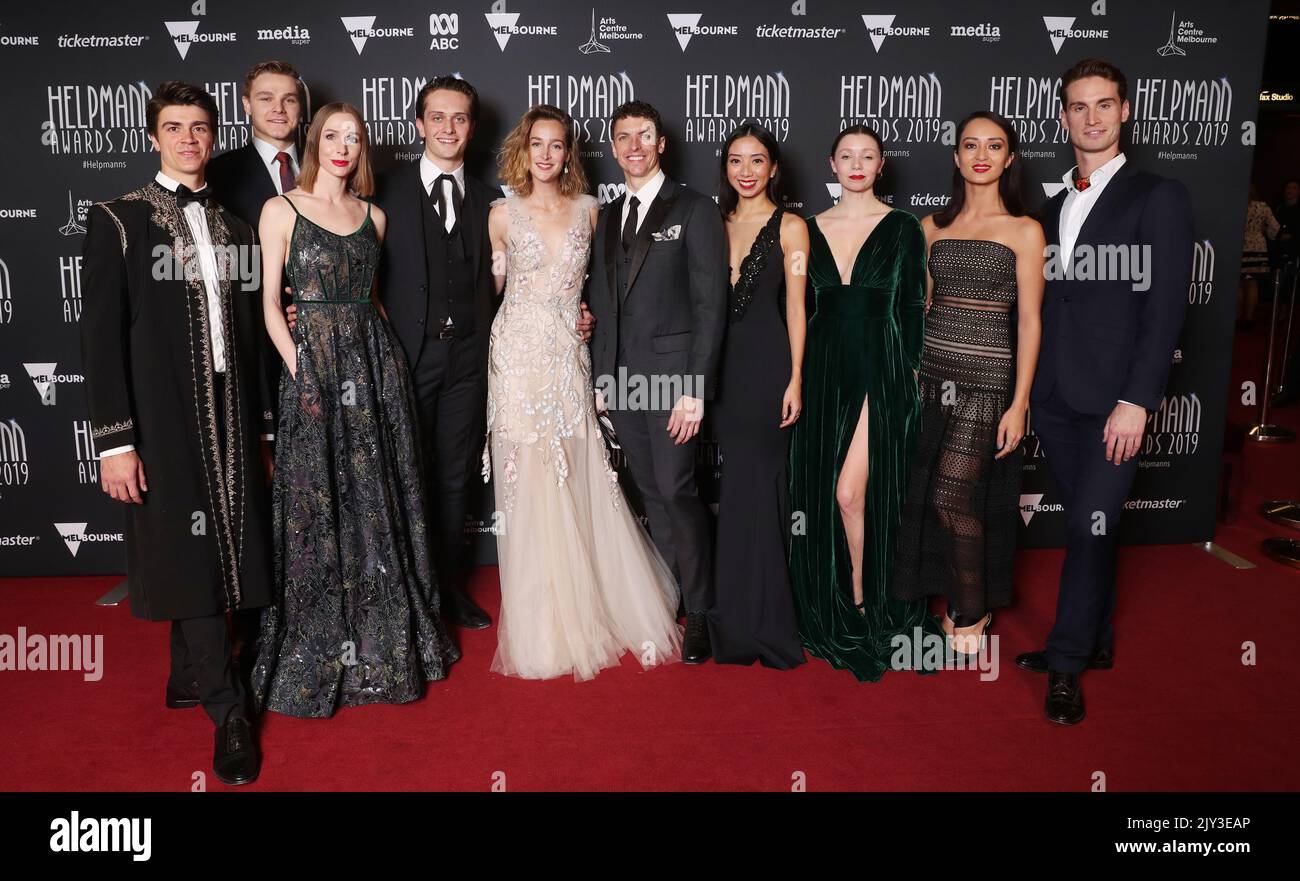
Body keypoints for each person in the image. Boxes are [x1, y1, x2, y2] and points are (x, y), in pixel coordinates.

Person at [80, 81, 273, 784]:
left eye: (199, 127)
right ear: (154, 137)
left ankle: (188, 673)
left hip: (231, 406)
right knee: (184, 553)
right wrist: (115, 440)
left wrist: (267, 430)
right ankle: (229, 713)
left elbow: (249, 334)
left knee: (235, 546)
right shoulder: (120, 220)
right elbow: (98, 340)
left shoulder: (236, 227)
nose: (189, 138)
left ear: (213, 136)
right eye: (175, 127)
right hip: (160, 414)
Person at [253, 102, 460, 717]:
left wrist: (389, 370)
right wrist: (300, 368)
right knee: (315, 501)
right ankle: (319, 643)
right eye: (333, 136)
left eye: (355, 138)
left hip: (375, 369)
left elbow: (372, 301)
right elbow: (269, 303)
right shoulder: (280, 209)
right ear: (316, 141)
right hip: (314, 369)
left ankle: (385, 639)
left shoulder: (374, 215)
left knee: (377, 496)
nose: (343, 146)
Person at [1014, 59, 1192, 726]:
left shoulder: (1158, 195)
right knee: (1094, 525)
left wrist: (1138, 400)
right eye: (1078, 106)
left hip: (1115, 402)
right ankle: (1096, 639)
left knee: (1089, 532)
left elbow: (1166, 306)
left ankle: (1065, 664)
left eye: (1104, 105)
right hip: (1056, 399)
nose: (1091, 117)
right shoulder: (1053, 206)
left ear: (1124, 114)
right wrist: (1030, 395)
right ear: (1063, 117)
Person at [482, 104, 682, 680]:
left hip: (567, 355)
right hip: (516, 355)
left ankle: (592, 603)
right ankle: (541, 615)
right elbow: (492, 292)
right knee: (528, 477)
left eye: (558, 145)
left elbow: (608, 287)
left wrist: (587, 316)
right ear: (524, 149)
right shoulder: (500, 216)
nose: (547, 155)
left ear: (569, 152)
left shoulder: (592, 213)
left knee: (573, 467)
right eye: (538, 144)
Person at [787, 124, 938, 682]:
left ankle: (867, 602)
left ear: (881, 166)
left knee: (853, 493)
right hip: (823, 370)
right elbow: (793, 307)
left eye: (867, 156)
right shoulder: (805, 228)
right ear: (830, 163)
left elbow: (913, 306)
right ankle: (843, 600)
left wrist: (912, 374)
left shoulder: (901, 228)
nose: (856, 164)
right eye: (846, 155)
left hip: (884, 368)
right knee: (828, 495)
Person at [892, 111, 1044, 656]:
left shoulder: (1026, 231)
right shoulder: (931, 227)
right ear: (956, 157)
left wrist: (1020, 402)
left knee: (953, 494)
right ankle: (944, 594)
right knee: (924, 492)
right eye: (971, 145)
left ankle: (972, 608)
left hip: (987, 383)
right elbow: (921, 308)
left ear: (1010, 158)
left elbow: (1028, 321)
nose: (982, 155)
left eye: (995, 145)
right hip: (932, 378)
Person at [584, 100, 728, 664]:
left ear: (661, 142)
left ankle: (703, 610)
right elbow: (602, 301)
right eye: (624, 137)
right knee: (650, 493)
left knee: (678, 491)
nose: (634, 146)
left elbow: (710, 304)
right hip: (622, 383)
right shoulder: (610, 214)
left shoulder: (693, 209)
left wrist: (695, 389)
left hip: (673, 383)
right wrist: (601, 378)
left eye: (645, 135)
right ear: (614, 147)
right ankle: (669, 595)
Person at [707, 122, 808, 668]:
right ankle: (733, 621)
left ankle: (766, 625)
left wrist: (795, 377)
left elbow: (797, 307)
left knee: (762, 490)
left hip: (768, 369)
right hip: (721, 372)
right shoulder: (711, 223)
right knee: (737, 491)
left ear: (773, 168)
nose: (746, 171)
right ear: (726, 168)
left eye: (757, 160)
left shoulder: (791, 227)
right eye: (736, 161)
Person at [206, 60, 304, 229]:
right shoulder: (218, 173)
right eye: (266, 98)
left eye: (289, 100)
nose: (279, 108)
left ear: (300, 107)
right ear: (247, 105)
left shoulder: (325, 167)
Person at [1237, 183, 1279, 327]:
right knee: (1253, 283)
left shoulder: (1236, 204)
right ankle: (1249, 318)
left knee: (1238, 284)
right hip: (1257, 247)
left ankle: (1237, 315)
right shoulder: (1262, 207)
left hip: (1238, 246)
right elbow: (1275, 228)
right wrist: (1266, 233)